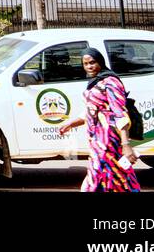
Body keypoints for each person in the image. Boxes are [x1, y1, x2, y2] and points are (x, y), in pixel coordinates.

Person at [57, 47, 140, 192]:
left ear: (100, 62)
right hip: (97, 140)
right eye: (85, 64)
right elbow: (90, 110)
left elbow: (120, 113)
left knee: (97, 175)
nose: (89, 66)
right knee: (117, 176)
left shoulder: (111, 82)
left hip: (108, 140)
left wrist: (125, 144)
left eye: (92, 62)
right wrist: (71, 124)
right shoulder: (95, 82)